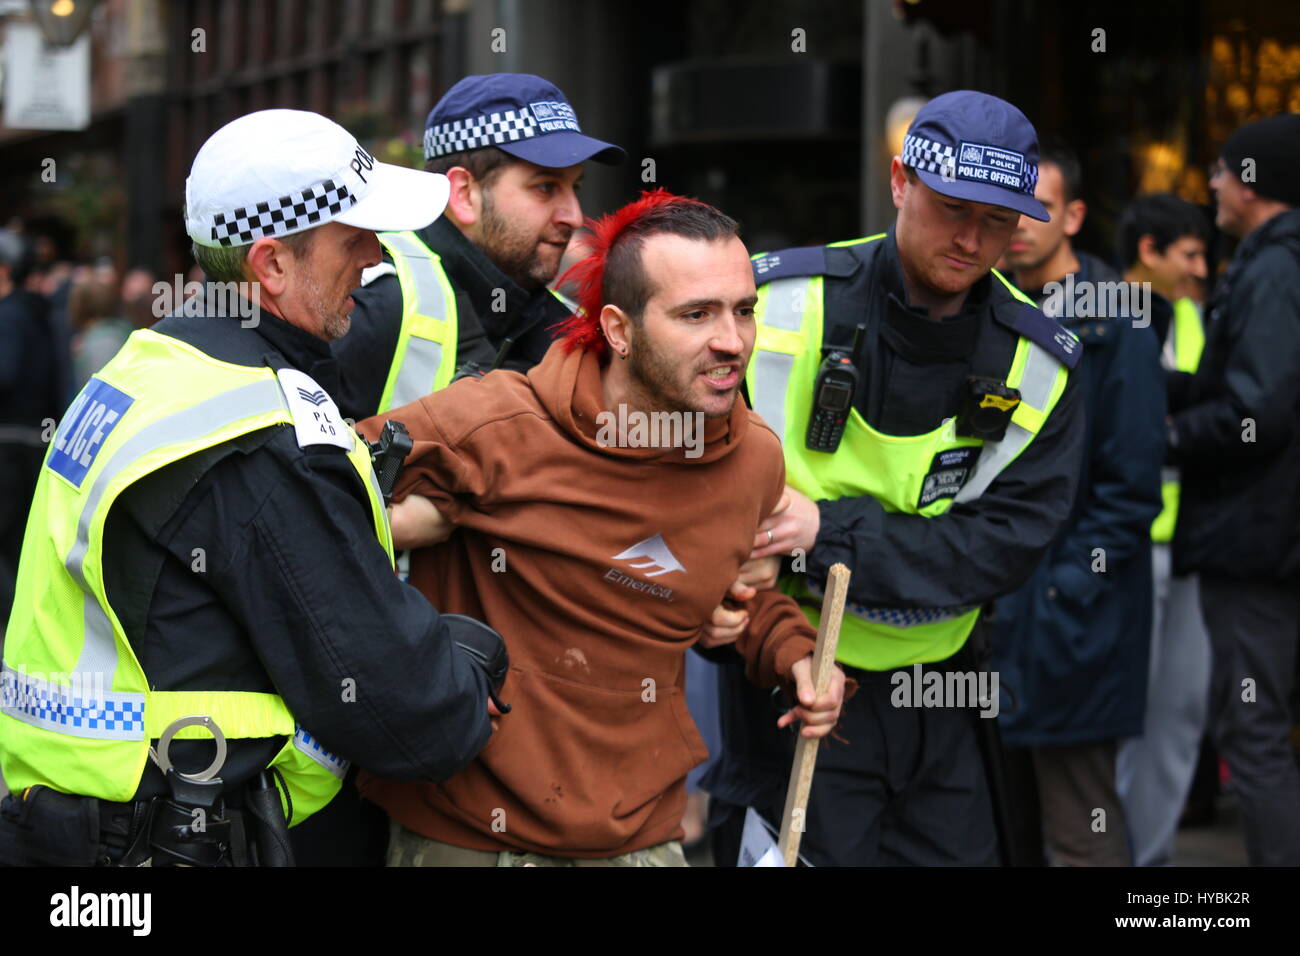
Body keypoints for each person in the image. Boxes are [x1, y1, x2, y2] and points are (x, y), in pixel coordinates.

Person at [0, 109, 502, 867]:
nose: (375, 257)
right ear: (271, 266)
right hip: (169, 838)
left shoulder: (151, 365)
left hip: (76, 823)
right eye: (352, 235)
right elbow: (407, 714)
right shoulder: (260, 435)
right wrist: (466, 664)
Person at [356, 190, 847, 866]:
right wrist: (405, 534)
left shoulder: (753, 458)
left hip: (641, 836)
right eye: (695, 314)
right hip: (468, 835)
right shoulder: (496, 425)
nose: (732, 341)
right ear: (618, 329)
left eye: (743, 311)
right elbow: (314, 510)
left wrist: (795, 655)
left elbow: (731, 593)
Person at [702, 90, 1087, 867]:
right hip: (795, 687)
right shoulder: (775, 306)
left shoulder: (1042, 361)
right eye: (952, 209)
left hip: (941, 695)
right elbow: (682, 478)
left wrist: (826, 533)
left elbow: (1006, 546)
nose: (972, 240)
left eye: (999, 221)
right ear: (900, 181)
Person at [993, 145, 1166, 867]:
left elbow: (1131, 487)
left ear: (1074, 216)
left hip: (1072, 618)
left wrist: (1067, 587)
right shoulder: (989, 305)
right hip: (993, 609)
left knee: (1082, 830)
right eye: (1011, 209)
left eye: (1041, 206)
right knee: (1003, 830)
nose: (1022, 224)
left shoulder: (1114, 321)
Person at [331, 73, 625, 421]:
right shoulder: (371, 300)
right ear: (464, 194)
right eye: (545, 187)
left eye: (574, 187)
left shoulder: (570, 326)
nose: (574, 216)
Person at [1169, 113, 1300, 867]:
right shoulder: (1273, 263)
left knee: (1252, 733)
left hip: (1257, 540)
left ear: (1251, 182)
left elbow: (1259, 410)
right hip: (1268, 536)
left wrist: (1172, 435)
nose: (1212, 184)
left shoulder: (1276, 268)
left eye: (1222, 169)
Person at [1112, 193, 1212, 867]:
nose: (1202, 268)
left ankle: (1150, 865)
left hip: (1193, 548)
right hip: (1123, 548)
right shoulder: (1102, 316)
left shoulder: (1198, 317)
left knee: (1179, 718)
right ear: (1149, 252)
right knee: (1117, 721)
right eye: (1189, 254)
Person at [0, 230, 69, 628]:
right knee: (24, 545)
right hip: (38, 443)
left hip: (7, 445)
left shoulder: (8, 314)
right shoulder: (47, 314)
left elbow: (5, 373)